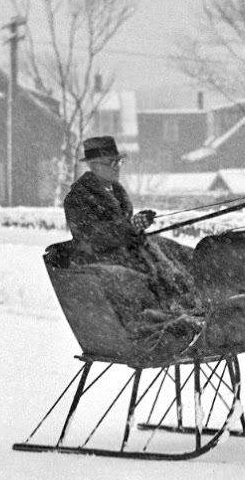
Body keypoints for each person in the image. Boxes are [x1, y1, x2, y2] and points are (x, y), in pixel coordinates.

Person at [63, 136, 199, 337]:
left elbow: (123, 231)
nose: (116, 168)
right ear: (93, 165)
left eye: (118, 162)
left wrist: (136, 227)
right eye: (110, 163)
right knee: (146, 275)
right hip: (99, 258)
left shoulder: (117, 192)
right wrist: (130, 226)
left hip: (126, 250)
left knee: (179, 254)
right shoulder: (77, 198)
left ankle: (192, 305)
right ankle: (160, 320)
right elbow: (92, 238)